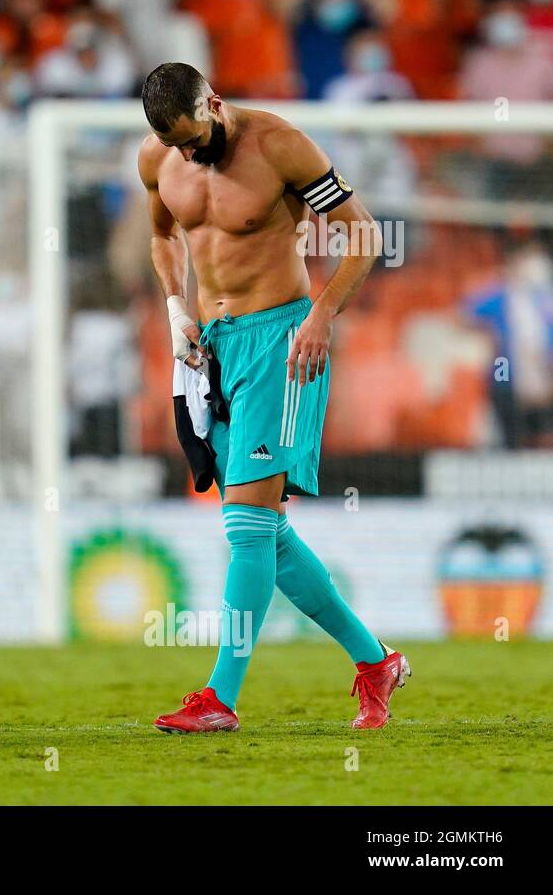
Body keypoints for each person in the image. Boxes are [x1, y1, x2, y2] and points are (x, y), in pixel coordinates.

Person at [138, 62, 407, 733]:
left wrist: (321, 316)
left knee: (246, 528)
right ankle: (375, 662)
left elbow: (364, 235)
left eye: (196, 136)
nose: (191, 152)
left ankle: (219, 698)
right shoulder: (158, 159)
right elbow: (162, 234)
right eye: (178, 144)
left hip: (282, 343)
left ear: (216, 105)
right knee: (267, 533)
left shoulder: (279, 145)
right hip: (212, 349)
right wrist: (175, 307)